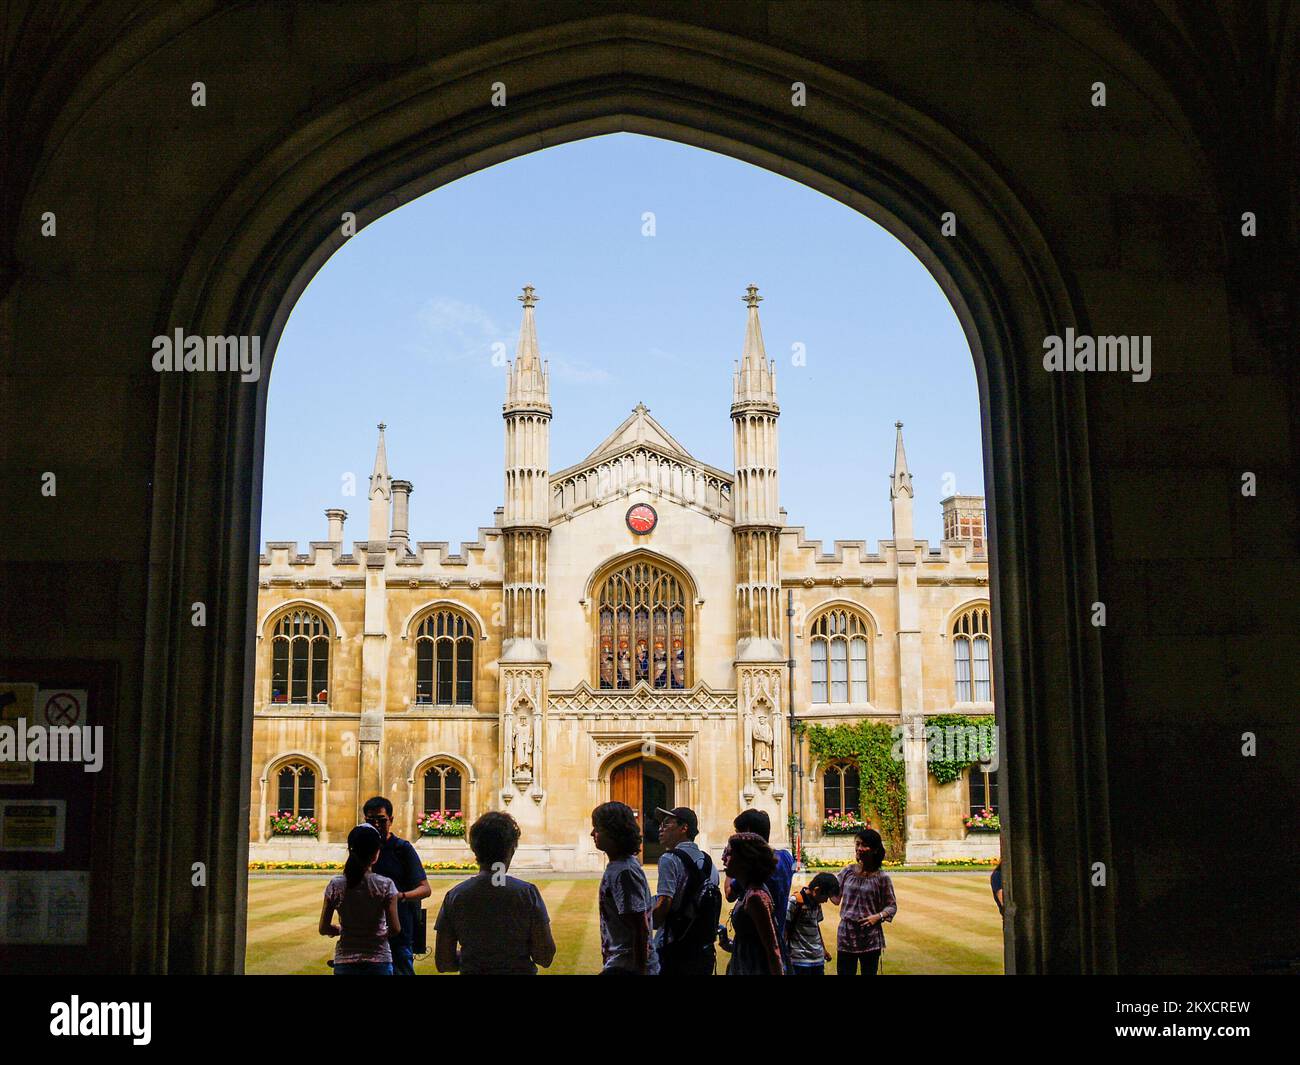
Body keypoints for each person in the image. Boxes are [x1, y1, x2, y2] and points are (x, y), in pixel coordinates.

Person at [433, 811, 555, 974]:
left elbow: (444, 962)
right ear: (511, 849)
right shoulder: (527, 894)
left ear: (475, 849)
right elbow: (545, 956)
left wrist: (475, 956)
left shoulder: (456, 896)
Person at [319, 823, 401, 975]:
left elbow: (323, 928)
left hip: (345, 960)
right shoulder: (385, 885)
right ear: (376, 853)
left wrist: (341, 930)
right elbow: (395, 928)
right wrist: (375, 934)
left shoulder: (336, 885)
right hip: (379, 960)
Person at [363, 796, 431, 976]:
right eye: (371, 820)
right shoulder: (362, 850)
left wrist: (399, 896)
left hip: (399, 930)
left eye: (381, 820)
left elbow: (425, 889)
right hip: (368, 930)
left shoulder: (402, 849)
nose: (376, 824)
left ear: (391, 820)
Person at [651, 806, 721, 975]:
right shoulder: (710, 862)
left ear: (684, 828)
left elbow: (665, 902)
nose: (660, 828)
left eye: (667, 824)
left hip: (673, 947)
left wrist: (648, 921)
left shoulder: (669, 859)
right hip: (702, 949)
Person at [592, 801, 658, 974]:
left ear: (613, 832)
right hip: (619, 964)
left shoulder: (624, 871)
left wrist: (639, 970)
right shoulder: (619, 867)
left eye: (597, 828)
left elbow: (640, 927)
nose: (593, 833)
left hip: (625, 966)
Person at [727, 809, 796, 971]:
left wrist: (732, 864)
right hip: (776, 937)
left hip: (755, 953)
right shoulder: (785, 857)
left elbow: (729, 894)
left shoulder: (755, 891)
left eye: (738, 833)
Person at [831, 828, 897, 976]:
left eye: (864, 845)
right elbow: (835, 898)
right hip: (846, 935)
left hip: (870, 937)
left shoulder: (882, 878)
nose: (859, 848)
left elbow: (891, 906)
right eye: (858, 844)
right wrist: (823, 885)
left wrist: (878, 917)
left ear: (874, 850)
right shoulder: (847, 871)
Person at [718, 832, 783, 975]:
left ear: (744, 860)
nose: (723, 858)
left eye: (729, 854)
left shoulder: (755, 897)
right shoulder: (748, 891)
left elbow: (772, 949)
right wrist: (728, 943)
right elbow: (751, 945)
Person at [786, 872, 839, 975]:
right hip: (799, 959)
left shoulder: (817, 904)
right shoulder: (795, 902)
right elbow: (786, 928)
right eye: (826, 897)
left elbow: (816, 926)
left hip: (817, 959)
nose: (826, 901)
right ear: (817, 890)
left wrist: (823, 949)